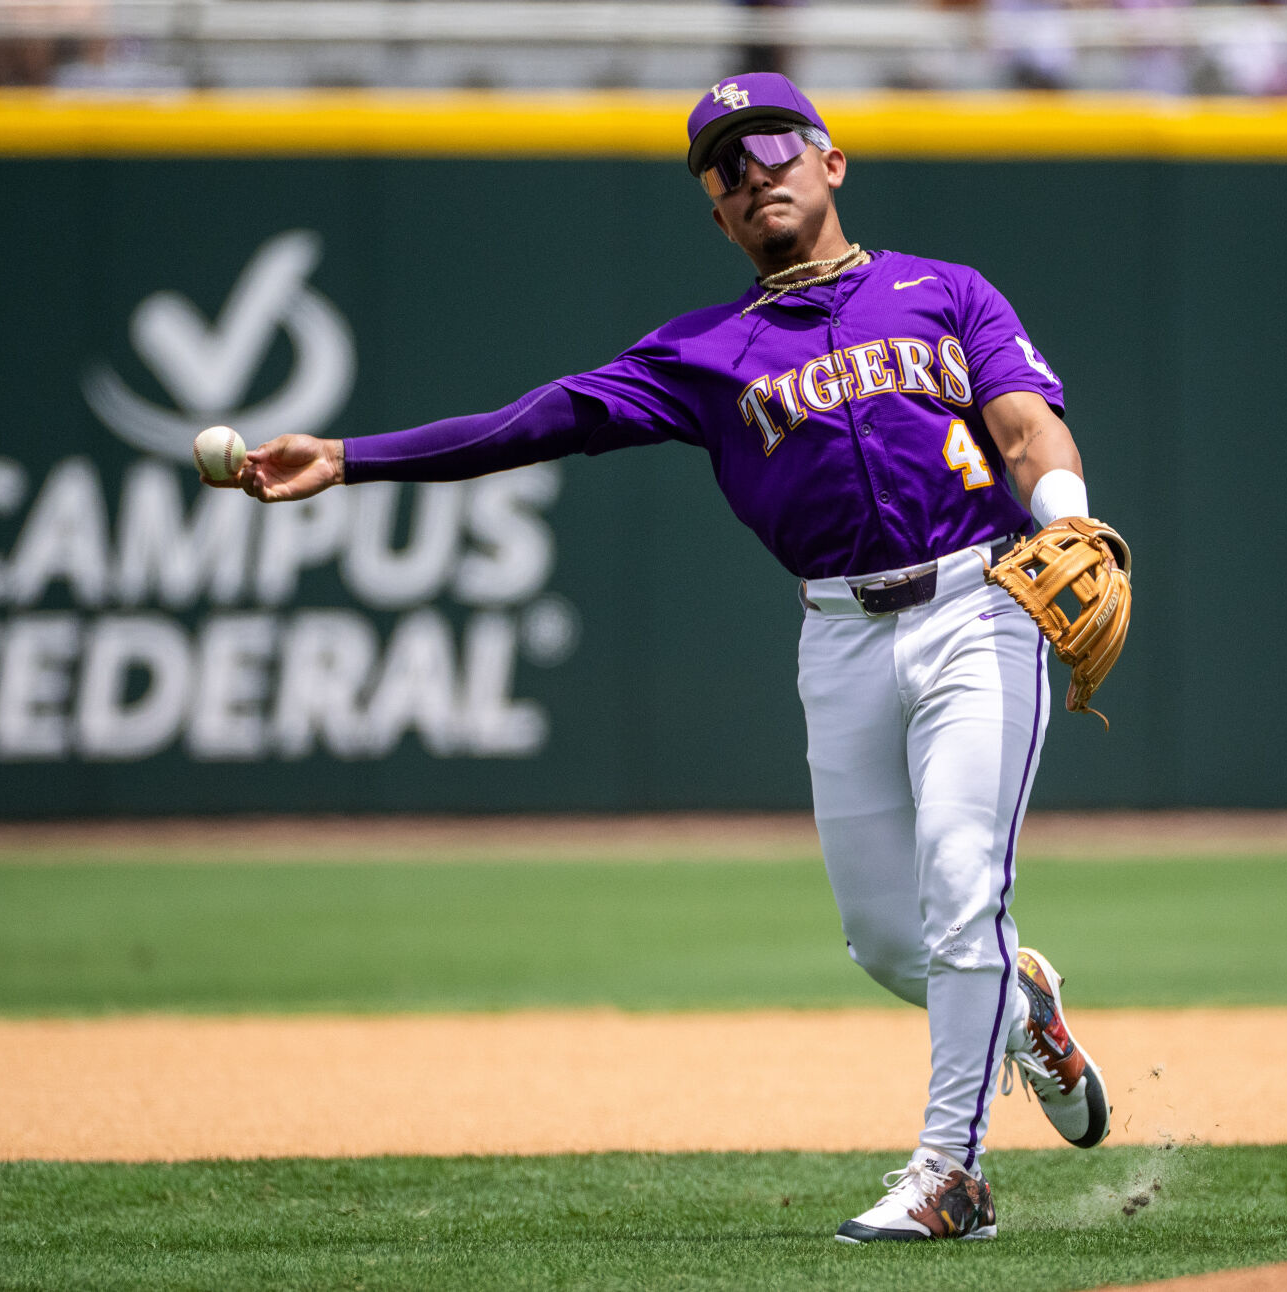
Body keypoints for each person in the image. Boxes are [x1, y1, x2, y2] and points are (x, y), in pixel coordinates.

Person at [213, 72, 1113, 1244]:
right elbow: (535, 421)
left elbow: (1025, 423)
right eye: (725, 166)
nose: (753, 172)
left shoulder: (945, 292)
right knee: (890, 939)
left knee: (959, 881)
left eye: (773, 145)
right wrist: (351, 456)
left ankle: (955, 1175)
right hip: (839, 632)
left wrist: (1066, 516)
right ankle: (1026, 1009)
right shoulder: (704, 351)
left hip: (979, 604)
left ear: (831, 160)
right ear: (718, 214)